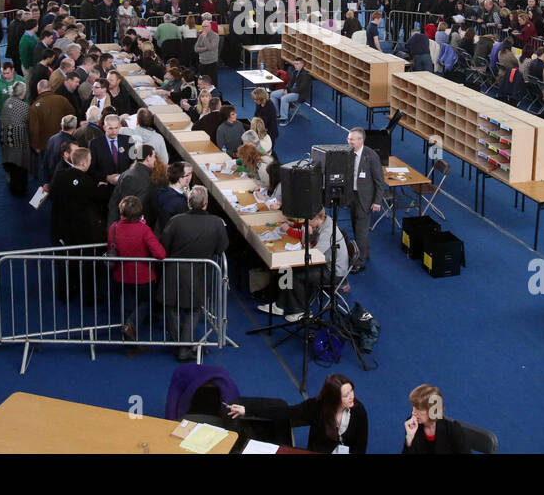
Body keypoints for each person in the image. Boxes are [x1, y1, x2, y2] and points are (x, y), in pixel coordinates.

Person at [158, 186, 228, 361]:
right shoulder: (216, 222)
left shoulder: (175, 221)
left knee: (172, 308)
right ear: (205, 204)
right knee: (194, 310)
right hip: (199, 273)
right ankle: (184, 346)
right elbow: (222, 248)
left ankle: (179, 345)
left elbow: (164, 246)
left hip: (174, 272)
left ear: (189, 203)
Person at [228, 373, 368, 453]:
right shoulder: (316, 407)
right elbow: (284, 412)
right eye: (346, 395)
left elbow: (361, 446)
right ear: (333, 398)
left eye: (351, 391)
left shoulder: (358, 410)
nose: (352, 397)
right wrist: (248, 410)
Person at [257, 207, 349, 320]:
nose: (305, 222)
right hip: (323, 262)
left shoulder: (328, 232)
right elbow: (309, 244)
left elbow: (314, 256)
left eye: (307, 220)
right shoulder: (322, 223)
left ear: (317, 218)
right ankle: (280, 305)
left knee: (295, 276)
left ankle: (301, 311)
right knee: (286, 268)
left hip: (333, 272)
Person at [108, 195, 166, 342]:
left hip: (121, 274)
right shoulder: (144, 230)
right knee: (146, 302)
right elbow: (160, 254)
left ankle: (128, 331)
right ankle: (130, 325)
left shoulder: (114, 228)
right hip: (143, 276)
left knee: (128, 304)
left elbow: (111, 248)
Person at [343, 127, 386, 272]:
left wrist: (377, 201)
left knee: (361, 230)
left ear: (361, 140)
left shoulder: (371, 156)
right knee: (356, 227)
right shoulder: (348, 153)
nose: (348, 142)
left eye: (351, 140)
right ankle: (364, 254)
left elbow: (380, 181)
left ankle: (359, 262)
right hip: (352, 196)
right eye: (348, 139)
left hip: (365, 199)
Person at [402, 384, 470, 454]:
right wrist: (409, 438)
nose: (413, 412)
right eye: (414, 407)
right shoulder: (413, 425)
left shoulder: (453, 430)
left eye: (419, 409)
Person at [0, 81, 35, 194]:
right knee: (20, 164)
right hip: (19, 140)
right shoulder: (24, 107)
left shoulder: (7, 102)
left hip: (5, 137)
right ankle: (20, 189)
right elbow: (30, 124)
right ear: (23, 93)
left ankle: (12, 182)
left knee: (10, 161)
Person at [194, 18, 221, 82]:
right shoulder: (201, 36)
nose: (203, 28)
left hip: (211, 62)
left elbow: (210, 47)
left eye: (205, 26)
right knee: (202, 81)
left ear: (210, 27)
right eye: (202, 26)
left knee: (212, 82)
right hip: (202, 61)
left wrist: (205, 37)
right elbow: (196, 49)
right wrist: (205, 48)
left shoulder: (215, 36)